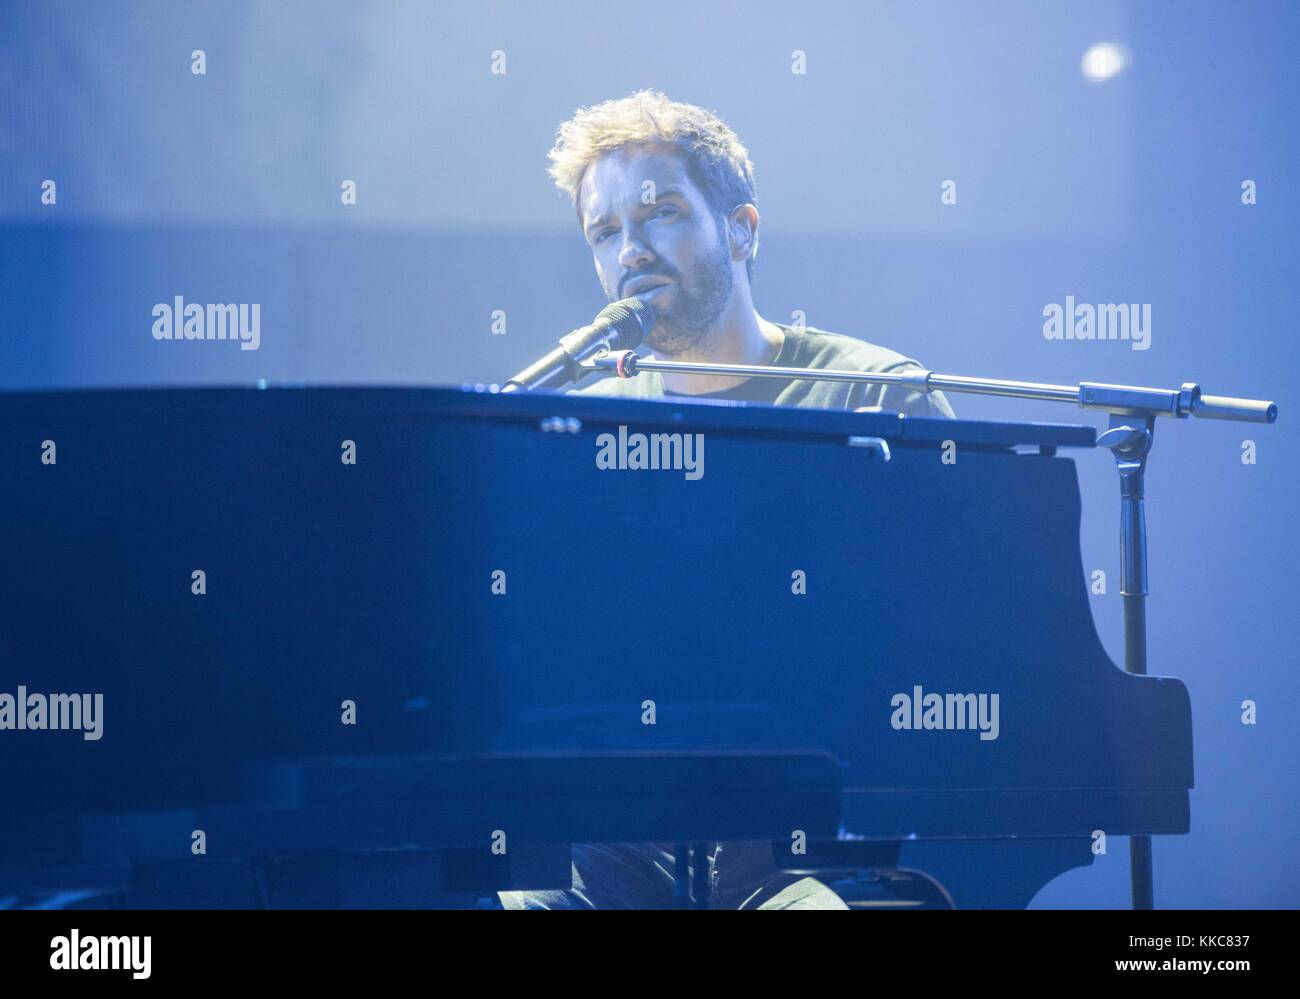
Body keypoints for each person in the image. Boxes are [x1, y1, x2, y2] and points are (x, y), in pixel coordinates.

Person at [500, 90, 954, 910]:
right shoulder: (580, 428)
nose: (631, 251)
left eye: (660, 213)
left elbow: (939, 648)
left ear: (741, 228)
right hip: (609, 844)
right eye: (605, 233)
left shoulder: (872, 397)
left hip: (809, 841)